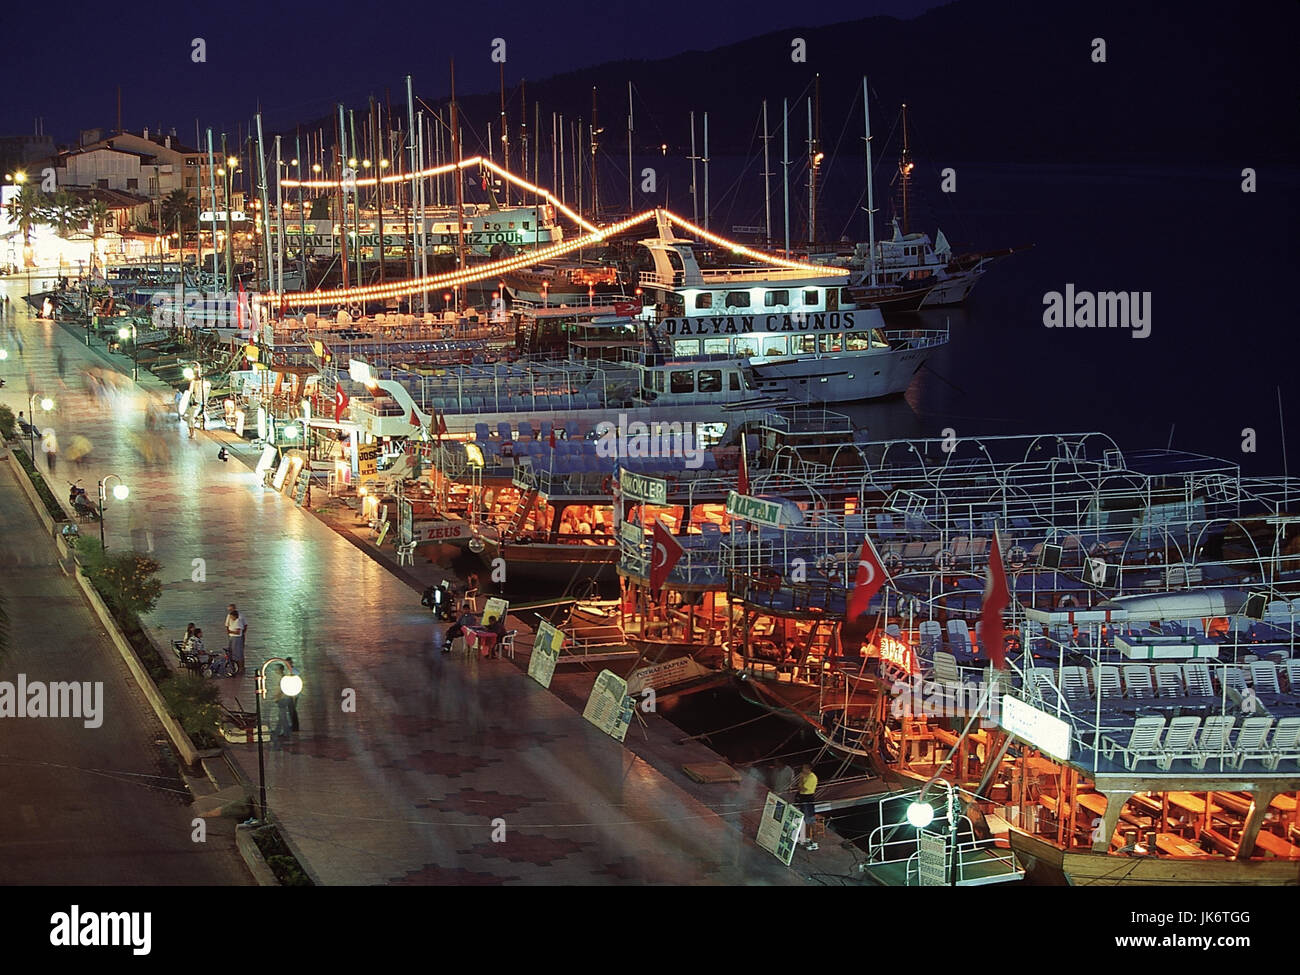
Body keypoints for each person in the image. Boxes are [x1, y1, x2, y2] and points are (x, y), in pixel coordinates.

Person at [795, 764, 819, 851]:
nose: (803, 769)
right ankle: (803, 837)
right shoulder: (803, 775)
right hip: (802, 797)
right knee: (803, 819)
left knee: (810, 820)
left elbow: (804, 788)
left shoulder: (812, 777)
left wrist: (800, 785)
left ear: (809, 769)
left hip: (808, 798)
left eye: (804, 768)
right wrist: (800, 786)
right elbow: (799, 786)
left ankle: (814, 842)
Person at [225, 604, 247, 674]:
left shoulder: (240, 618)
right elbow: (227, 625)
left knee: (238, 652)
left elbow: (242, 628)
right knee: (232, 652)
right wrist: (228, 632)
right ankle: (234, 666)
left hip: (237, 638)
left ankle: (241, 667)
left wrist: (242, 633)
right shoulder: (229, 616)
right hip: (232, 637)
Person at [284, 657, 300, 732]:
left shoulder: (294, 671)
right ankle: (294, 726)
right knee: (291, 710)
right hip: (290, 693)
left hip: (293, 694)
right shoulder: (291, 670)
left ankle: (295, 727)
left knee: (292, 710)